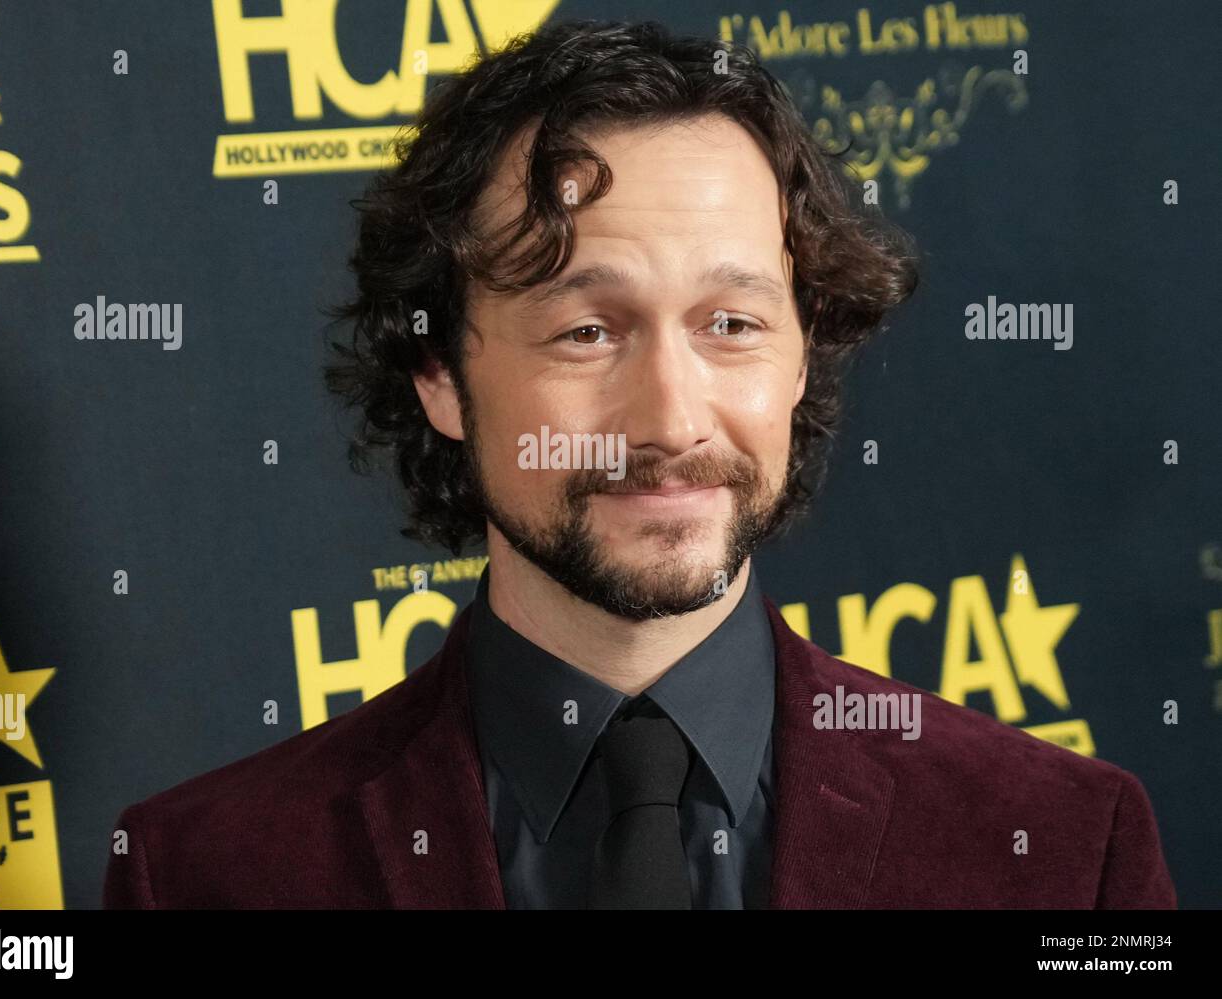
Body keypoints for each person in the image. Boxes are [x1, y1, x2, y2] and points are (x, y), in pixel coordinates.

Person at [103, 19, 1175, 909]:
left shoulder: (1065, 851)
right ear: (438, 373)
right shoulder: (205, 873)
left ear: (804, 356)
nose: (670, 416)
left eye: (732, 322)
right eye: (586, 333)